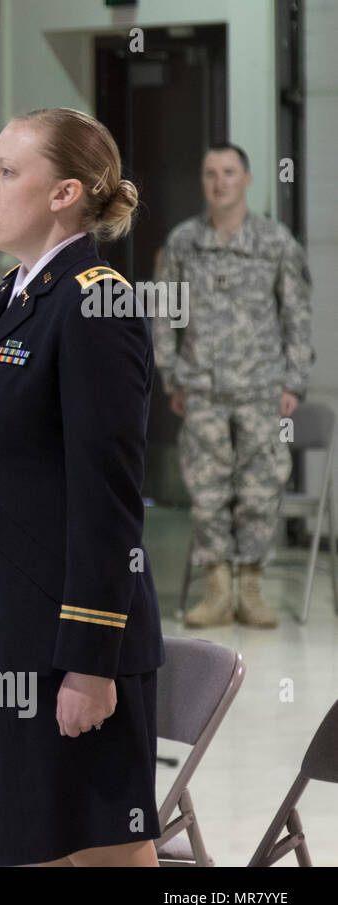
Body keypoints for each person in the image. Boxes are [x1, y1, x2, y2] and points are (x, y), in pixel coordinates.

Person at [0, 107, 165, 866]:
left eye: (9, 172)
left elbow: (107, 498)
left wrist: (88, 658)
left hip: (66, 647)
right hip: (9, 636)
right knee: (22, 847)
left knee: (101, 852)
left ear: (65, 193)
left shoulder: (95, 301)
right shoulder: (15, 293)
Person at [153, 143, 314, 628]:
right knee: (206, 491)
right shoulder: (184, 242)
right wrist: (170, 375)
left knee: (260, 488)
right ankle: (217, 587)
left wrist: (295, 381)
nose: (219, 181)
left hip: (263, 388)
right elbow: (165, 313)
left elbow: (298, 316)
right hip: (200, 386)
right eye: (209, 173)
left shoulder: (275, 242)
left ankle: (250, 585)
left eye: (228, 172)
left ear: (247, 179)